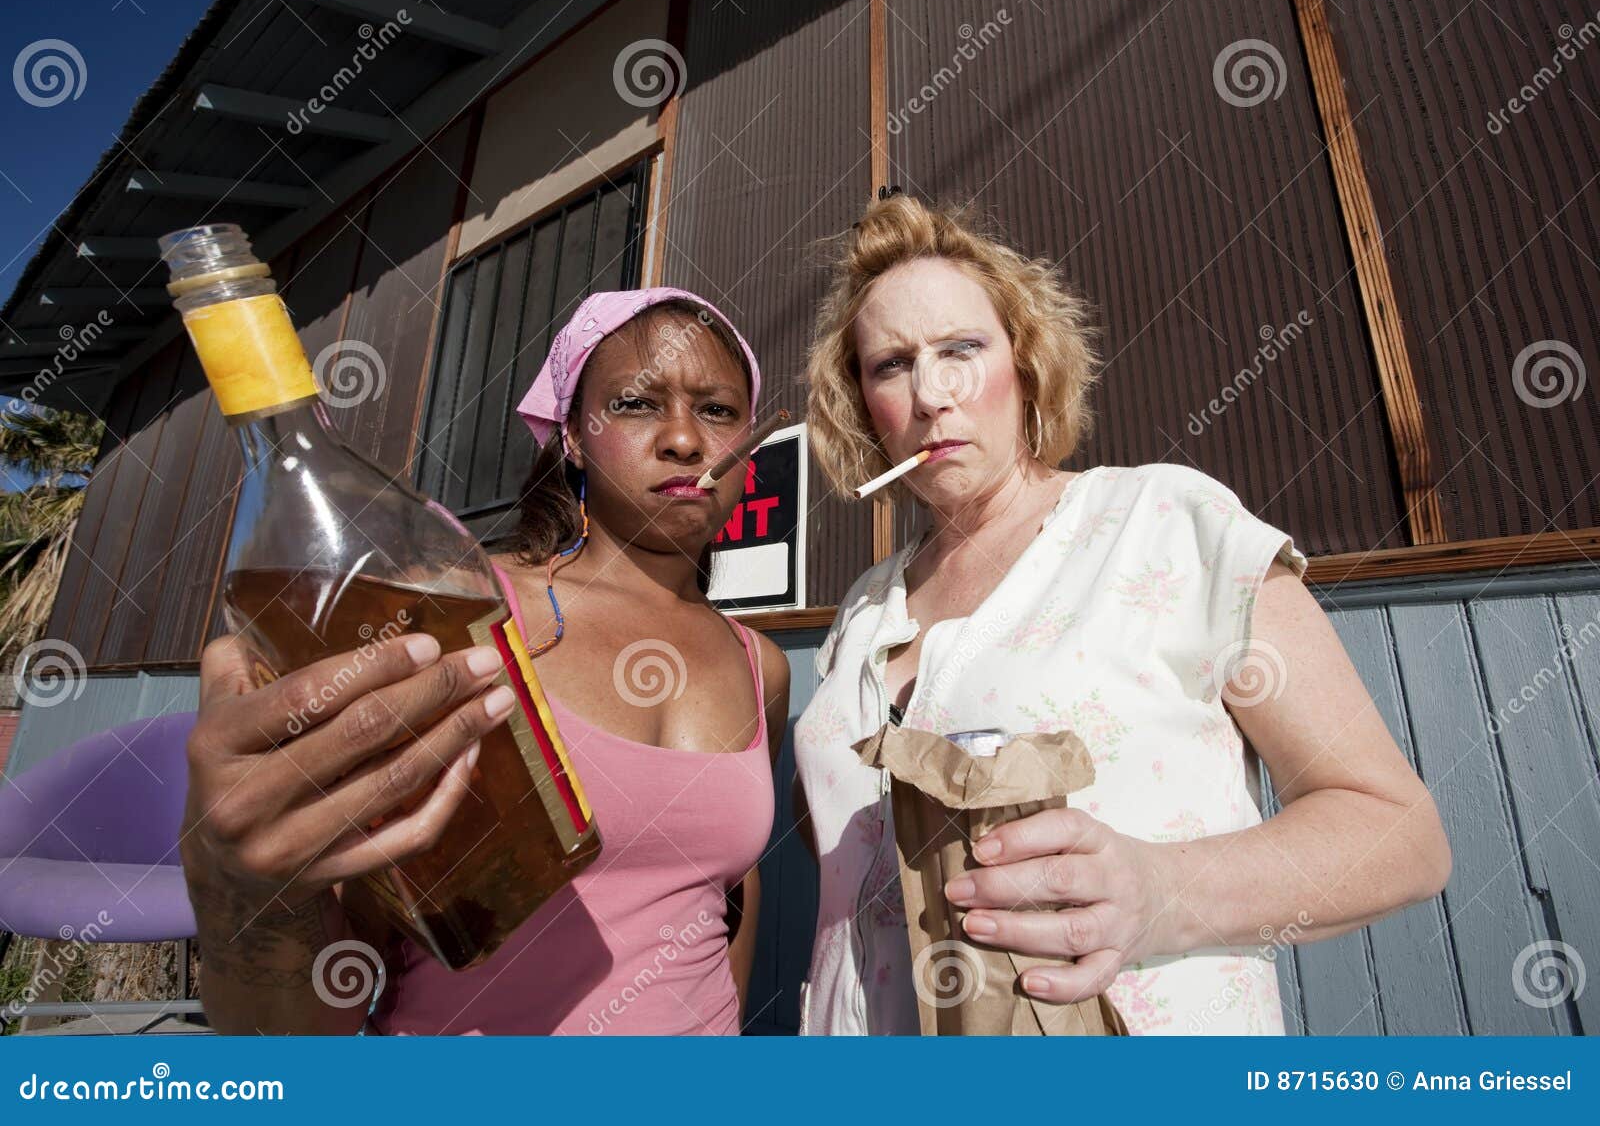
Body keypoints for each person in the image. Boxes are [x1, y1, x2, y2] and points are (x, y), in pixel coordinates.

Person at [792, 194, 1452, 1035]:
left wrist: (1162, 893)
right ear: (863, 406)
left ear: (1025, 363)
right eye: (890, 365)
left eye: (962, 348)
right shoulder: (863, 609)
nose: (931, 393)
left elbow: (1400, 833)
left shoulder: (1167, 526)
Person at [182, 287, 788, 1035]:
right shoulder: (462, 614)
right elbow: (296, 1025)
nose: (685, 439)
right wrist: (235, 889)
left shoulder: (758, 663)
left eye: (718, 410)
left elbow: (727, 886)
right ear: (571, 434)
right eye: (635, 403)